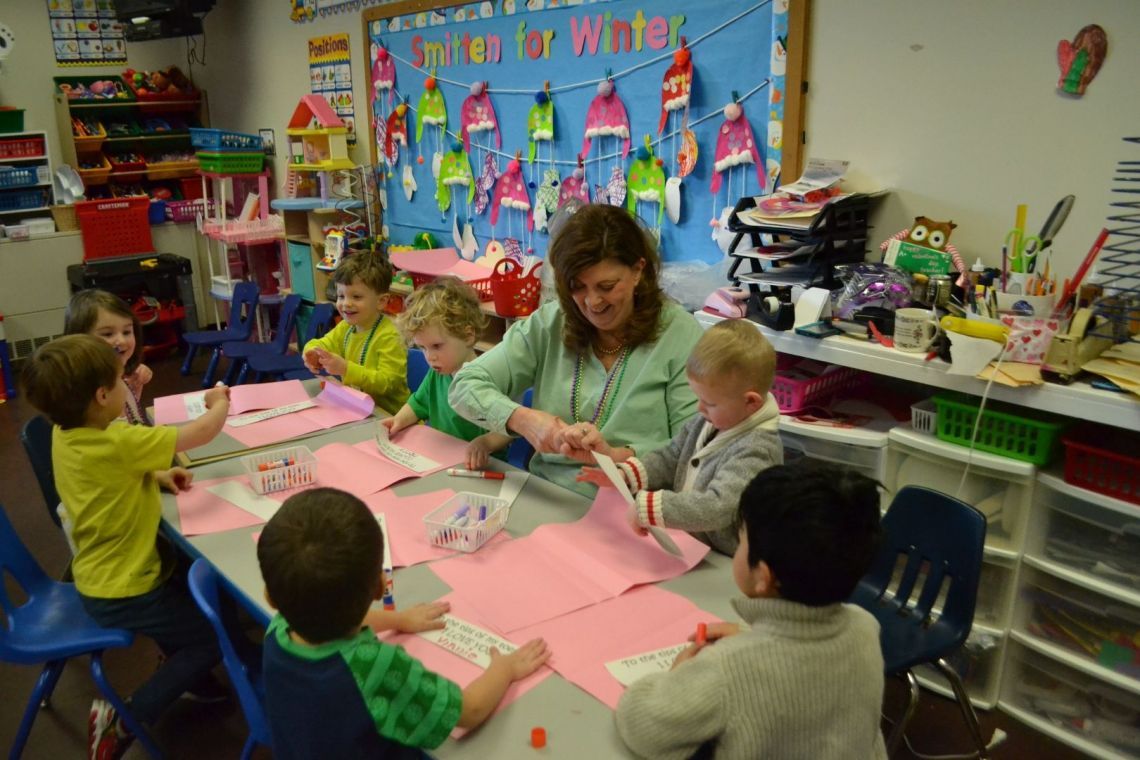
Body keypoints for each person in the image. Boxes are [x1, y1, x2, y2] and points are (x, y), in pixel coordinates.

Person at [23, 335, 232, 760]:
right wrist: (218, 401)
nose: (127, 385)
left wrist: (157, 476)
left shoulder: (67, 435)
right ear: (102, 396)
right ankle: (125, 717)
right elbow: (202, 432)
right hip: (127, 589)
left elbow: (104, 481)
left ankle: (184, 671)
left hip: (100, 576)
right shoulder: (118, 441)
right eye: (120, 380)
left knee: (193, 601)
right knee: (212, 638)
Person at [614, 460, 887, 760]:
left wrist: (677, 673)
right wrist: (752, 635)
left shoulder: (726, 669)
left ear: (763, 577)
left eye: (741, 537)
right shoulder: (866, 627)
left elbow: (642, 725)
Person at [257, 487, 551, 759]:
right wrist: (504, 669)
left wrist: (400, 619)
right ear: (380, 587)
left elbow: (327, 611)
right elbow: (470, 710)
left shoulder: (279, 628)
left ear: (271, 597)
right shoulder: (373, 666)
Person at [450, 204, 704, 495]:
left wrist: (617, 456)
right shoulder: (551, 322)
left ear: (638, 271)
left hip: (636, 504)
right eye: (577, 286)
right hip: (550, 495)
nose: (593, 302)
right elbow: (464, 386)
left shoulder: (679, 334)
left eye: (606, 286)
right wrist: (524, 420)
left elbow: (693, 450)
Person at [578, 319, 782, 555]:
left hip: (727, 559)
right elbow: (672, 456)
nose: (699, 408)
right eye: (699, 398)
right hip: (693, 545)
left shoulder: (757, 450)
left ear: (750, 402)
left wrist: (653, 507)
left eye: (710, 403)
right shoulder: (713, 419)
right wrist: (628, 475)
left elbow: (717, 507)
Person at [385, 277, 512, 469]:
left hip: (482, 465)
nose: (430, 357)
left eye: (436, 346)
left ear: (468, 336)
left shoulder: (488, 378)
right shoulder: (438, 373)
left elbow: (509, 428)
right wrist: (398, 421)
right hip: (442, 459)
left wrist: (485, 443)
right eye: (423, 348)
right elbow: (417, 405)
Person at [303, 251, 409, 415]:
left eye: (356, 297)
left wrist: (346, 369)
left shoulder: (390, 336)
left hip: (391, 416)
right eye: (341, 296)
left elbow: (387, 383)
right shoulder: (346, 327)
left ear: (381, 301)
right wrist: (312, 352)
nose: (346, 304)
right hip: (358, 410)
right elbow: (323, 343)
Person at [64, 289, 152, 425]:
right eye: (108, 334)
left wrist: (134, 388)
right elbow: (119, 432)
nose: (121, 341)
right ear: (79, 339)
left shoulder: (116, 376)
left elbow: (130, 421)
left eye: (127, 332)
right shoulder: (87, 393)